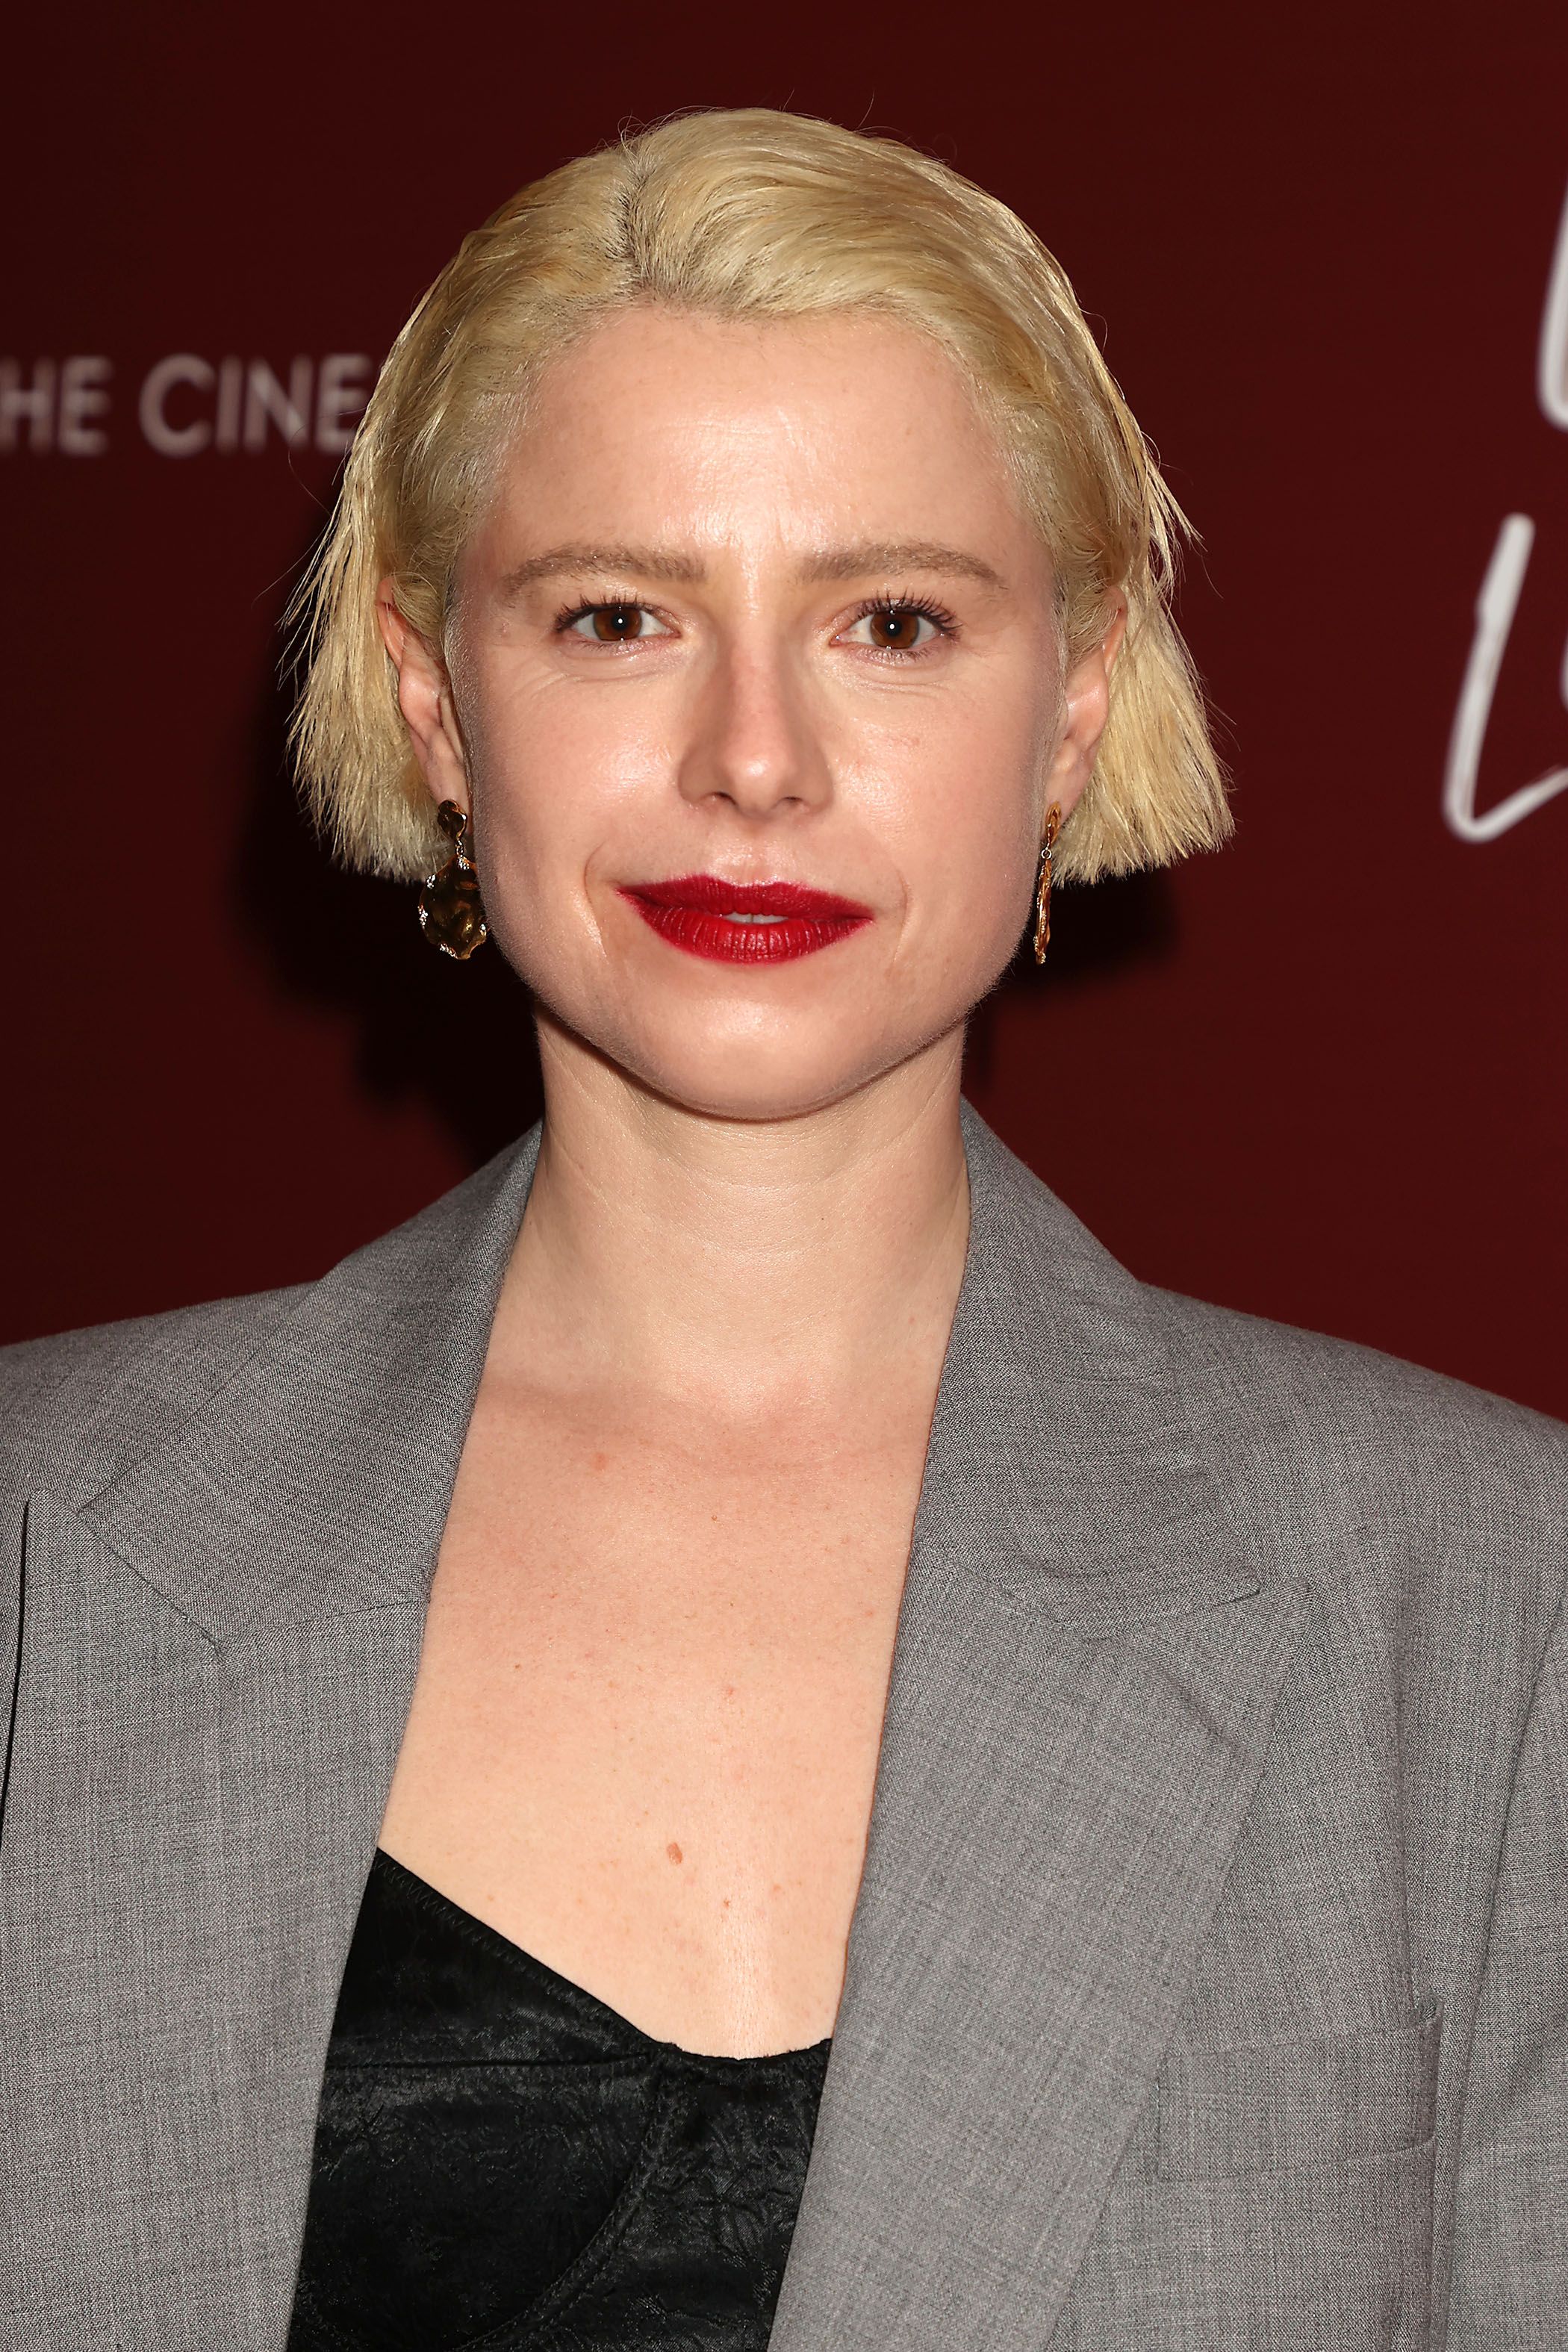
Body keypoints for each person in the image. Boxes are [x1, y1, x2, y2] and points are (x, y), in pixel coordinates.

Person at [1, 106, 1563, 2352]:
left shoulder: (1492, 1619)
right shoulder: (38, 1551)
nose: (754, 759)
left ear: (1075, 704)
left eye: (892, 621)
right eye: (620, 615)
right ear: (442, 705)